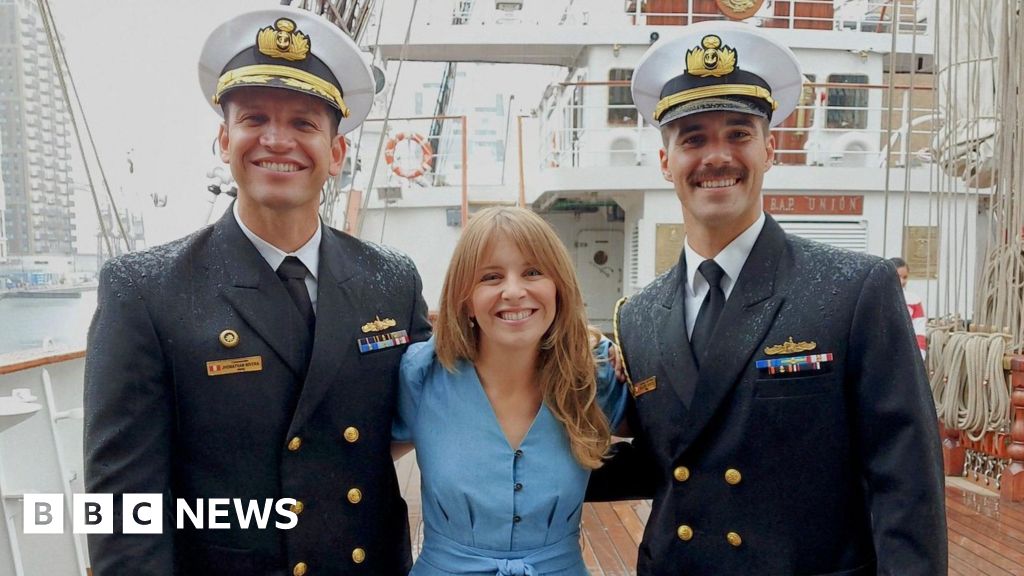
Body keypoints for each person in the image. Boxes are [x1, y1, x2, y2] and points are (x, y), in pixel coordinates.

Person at [588, 20, 947, 575]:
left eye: (738, 133)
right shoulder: (638, 317)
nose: (717, 156)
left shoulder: (855, 290)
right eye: (693, 139)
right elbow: (671, 458)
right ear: (666, 162)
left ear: (769, 148)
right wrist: (510, 454)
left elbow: (905, 480)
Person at [84, 7, 430, 575]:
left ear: (336, 152)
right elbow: (125, 510)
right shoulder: (144, 292)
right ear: (225, 140)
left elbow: (439, 409)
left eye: (303, 123)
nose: (277, 140)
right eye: (254, 119)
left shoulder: (392, 280)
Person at [392, 206, 627, 575]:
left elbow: (672, 439)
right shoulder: (420, 375)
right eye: (491, 277)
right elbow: (355, 460)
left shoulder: (594, 375)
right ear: (465, 298)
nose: (514, 291)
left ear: (558, 288)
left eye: (533, 272)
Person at [890, 256, 928, 360]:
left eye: (905, 277)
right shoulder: (876, 298)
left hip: (904, 355)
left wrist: (920, 357)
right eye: (898, 276)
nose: (902, 281)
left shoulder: (914, 300)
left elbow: (919, 331)